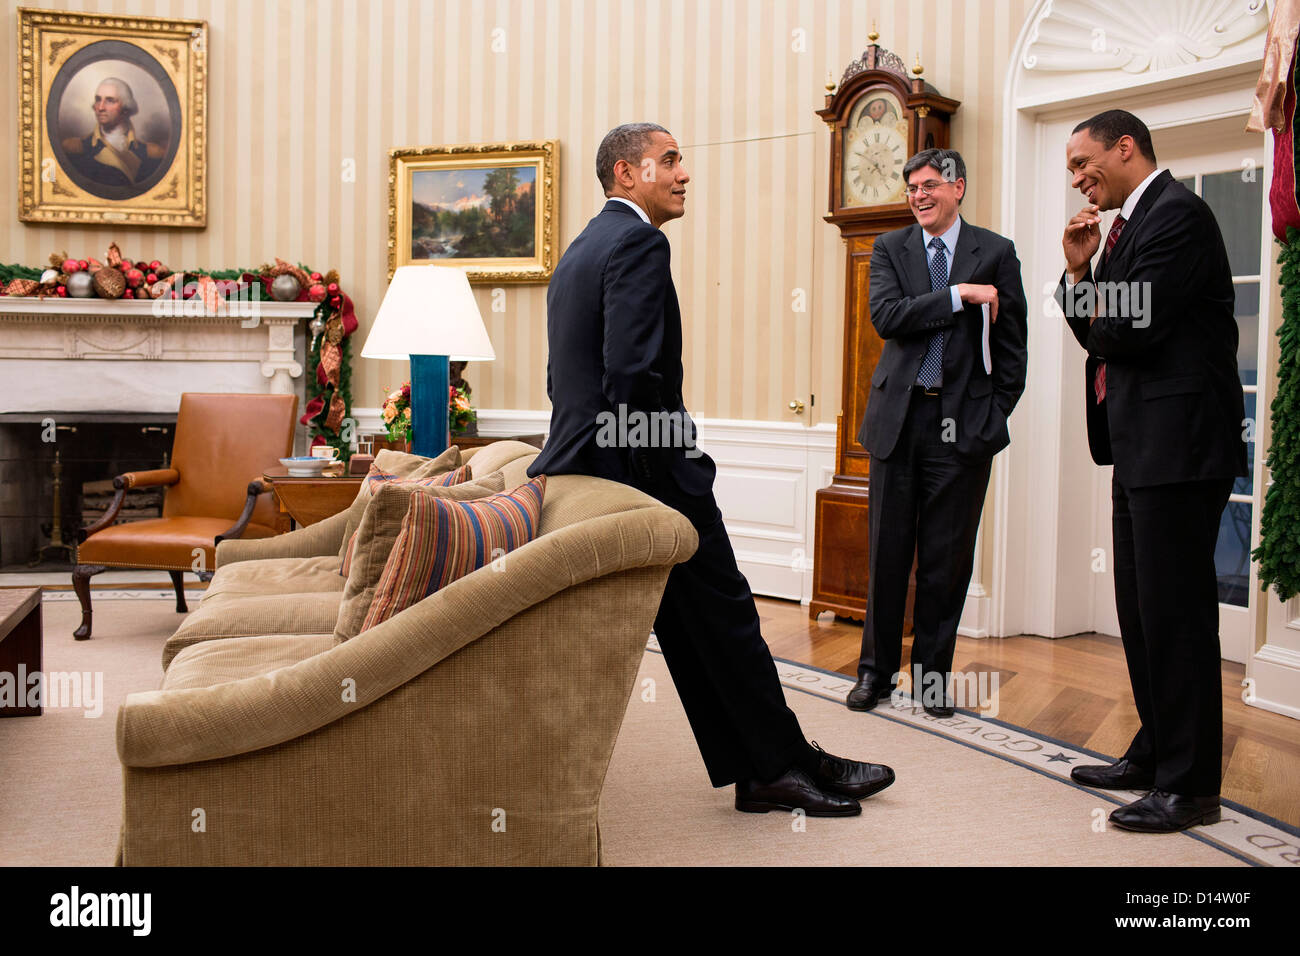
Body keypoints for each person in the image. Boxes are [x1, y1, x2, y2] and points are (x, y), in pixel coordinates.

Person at [528, 122, 895, 816]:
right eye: (668, 161)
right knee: (727, 619)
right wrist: (678, 468)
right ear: (627, 174)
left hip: (592, 471)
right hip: (648, 477)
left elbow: (561, 378)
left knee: (697, 632)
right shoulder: (639, 240)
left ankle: (773, 768)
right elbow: (633, 376)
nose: (683, 173)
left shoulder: (580, 250)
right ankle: (781, 766)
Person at [1057, 110, 1246, 833]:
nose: (1077, 178)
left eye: (1083, 161)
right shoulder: (1129, 227)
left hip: (1179, 448)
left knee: (1176, 616)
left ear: (1126, 147)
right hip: (1141, 447)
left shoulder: (1177, 216)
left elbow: (1121, 331)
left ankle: (1191, 786)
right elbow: (1104, 332)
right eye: (1071, 168)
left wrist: (1090, 289)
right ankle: (1157, 749)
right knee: (1140, 612)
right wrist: (1082, 272)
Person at [846, 148, 1028, 718]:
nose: (919, 196)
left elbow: (1013, 348)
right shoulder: (890, 249)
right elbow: (889, 318)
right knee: (887, 555)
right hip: (898, 423)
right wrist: (959, 295)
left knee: (947, 563)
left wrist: (992, 415)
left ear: (958, 188)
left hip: (962, 429)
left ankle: (931, 681)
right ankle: (874, 674)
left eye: (929, 185)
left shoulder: (995, 253)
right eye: (912, 189)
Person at [61, 77, 164, 189]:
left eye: (110, 101)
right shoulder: (74, 149)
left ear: (125, 107)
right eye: (98, 99)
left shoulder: (152, 153)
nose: (100, 107)